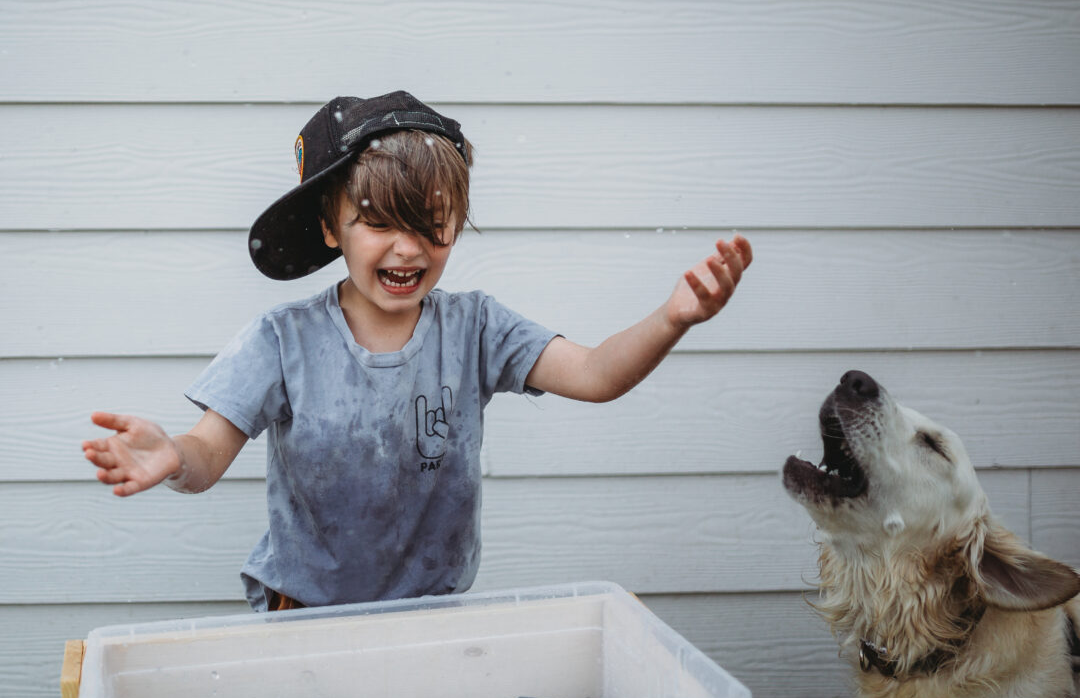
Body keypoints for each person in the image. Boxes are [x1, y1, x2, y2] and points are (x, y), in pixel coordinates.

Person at [82, 91, 752, 612]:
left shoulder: (476, 328)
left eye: (430, 223)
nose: (407, 248)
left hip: (433, 616)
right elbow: (206, 454)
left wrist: (673, 318)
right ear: (330, 226)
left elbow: (597, 373)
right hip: (304, 614)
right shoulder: (283, 341)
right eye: (378, 221)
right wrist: (172, 456)